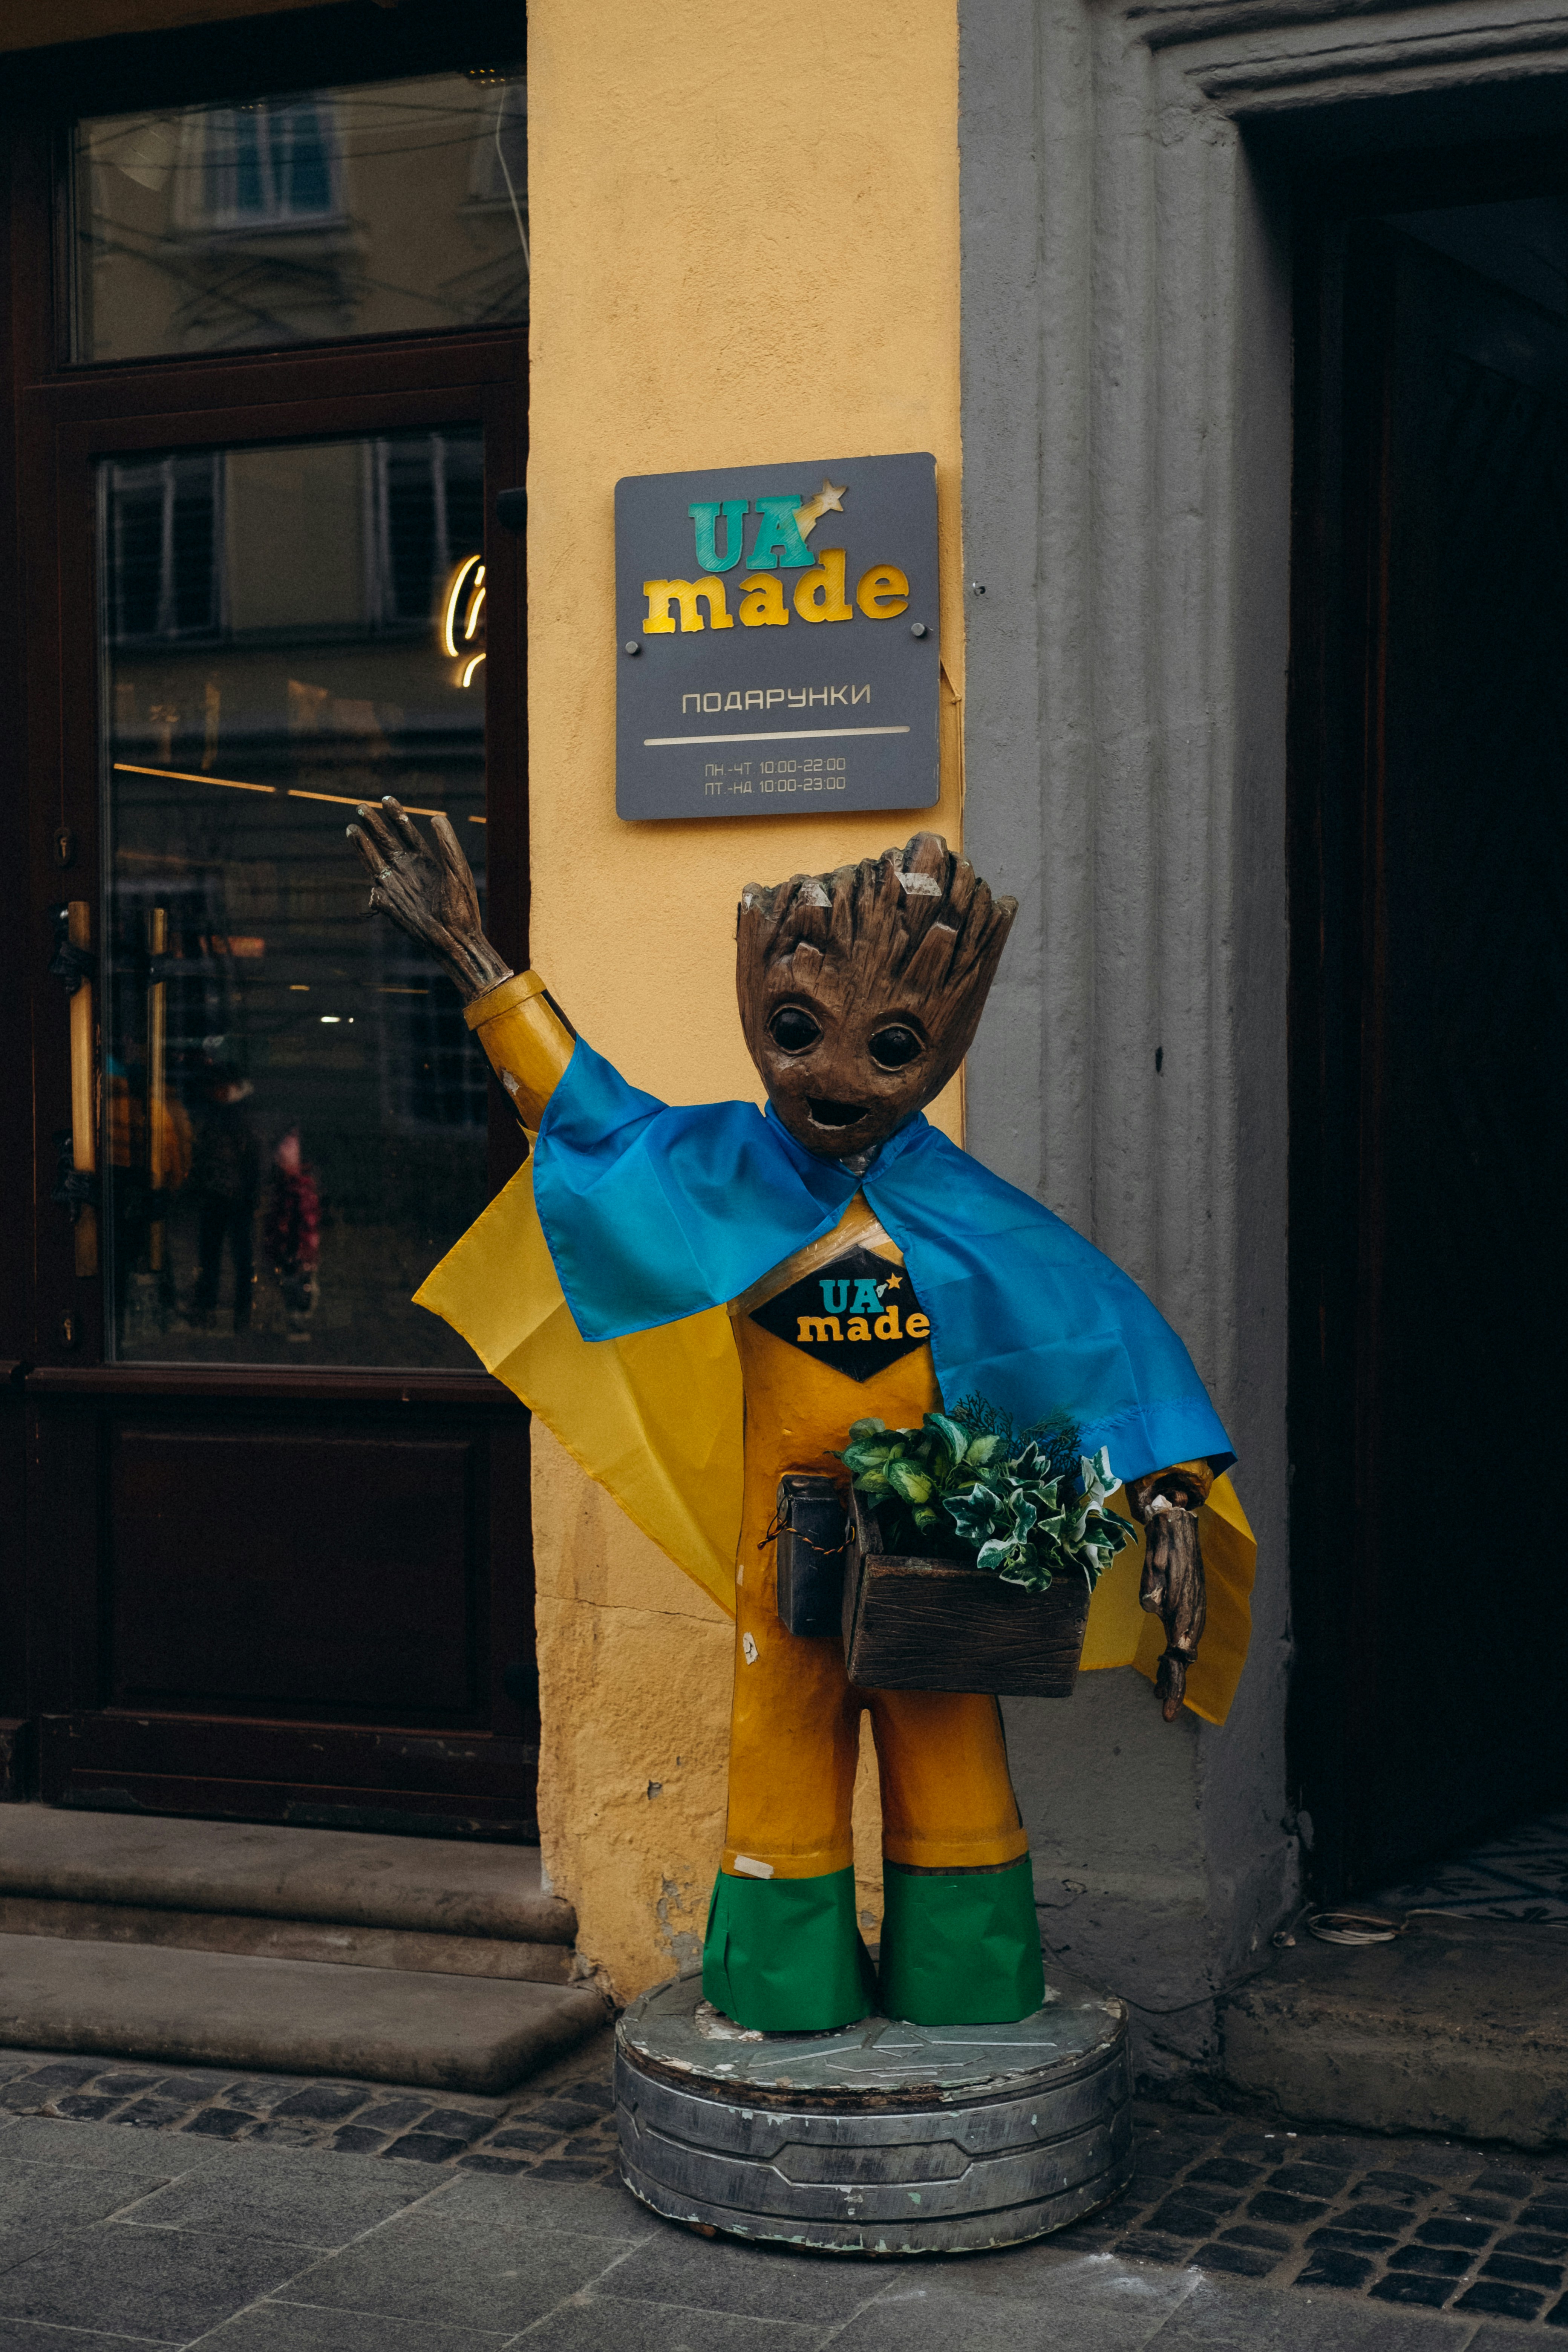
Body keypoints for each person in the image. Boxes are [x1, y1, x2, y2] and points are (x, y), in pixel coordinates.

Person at [344, 798, 1255, 2033]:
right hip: (790, 1551)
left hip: (942, 1552)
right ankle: (786, 1990)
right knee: (781, 1760)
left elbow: (1098, 1332)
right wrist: (476, 958)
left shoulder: (976, 1219)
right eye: (795, 1032)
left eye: (890, 1048)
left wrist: (1171, 1492)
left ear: (950, 1041)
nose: (834, 1078)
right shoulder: (721, 1175)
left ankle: (970, 1984)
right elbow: (584, 1113)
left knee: (954, 1765)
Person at [190, 1060, 262, 1333]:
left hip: (232, 1196)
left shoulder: (236, 1115)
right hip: (222, 1195)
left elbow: (255, 1158)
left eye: (217, 1087)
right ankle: (225, 1311)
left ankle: (235, 1312)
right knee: (219, 1256)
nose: (213, 1092)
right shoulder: (230, 1113)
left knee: (233, 1257)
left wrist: (252, 1194)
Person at [263, 1128, 321, 1339]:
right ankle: (295, 1320)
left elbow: (306, 1223)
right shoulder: (287, 1187)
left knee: (299, 1285)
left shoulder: (298, 1189)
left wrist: (304, 1249)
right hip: (289, 1246)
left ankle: (299, 1322)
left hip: (298, 1248)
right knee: (291, 1283)